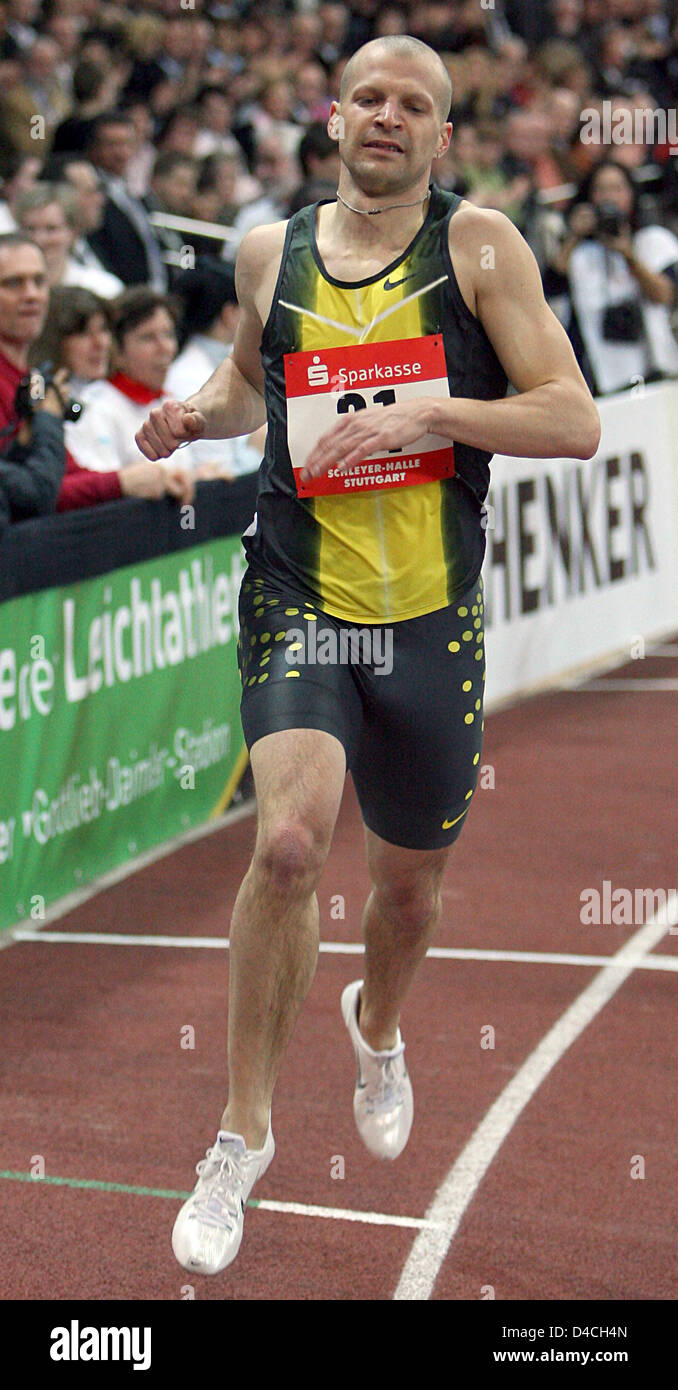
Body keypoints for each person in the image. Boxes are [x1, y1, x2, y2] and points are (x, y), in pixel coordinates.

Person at [136, 33, 600, 1277]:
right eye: (370, 98)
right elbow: (250, 383)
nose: (389, 118)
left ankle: (376, 1026)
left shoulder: (479, 246)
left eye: (418, 106)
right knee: (288, 844)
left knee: (408, 892)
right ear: (332, 116)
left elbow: (574, 416)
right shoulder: (262, 252)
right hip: (300, 597)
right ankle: (240, 1135)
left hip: (433, 617)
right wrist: (197, 412)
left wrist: (433, 410)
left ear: (443, 137)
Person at [0, 233, 192, 514]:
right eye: (13, 283)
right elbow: (32, 494)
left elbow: (62, 474)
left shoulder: (30, 380)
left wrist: (140, 478)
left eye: (39, 282)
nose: (30, 294)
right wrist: (121, 483)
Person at [551, 158, 678, 395]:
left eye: (617, 188)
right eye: (601, 189)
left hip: (656, 367)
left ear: (631, 193)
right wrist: (573, 235)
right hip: (600, 375)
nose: (609, 197)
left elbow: (665, 295)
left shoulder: (653, 241)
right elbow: (551, 288)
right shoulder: (580, 253)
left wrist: (628, 255)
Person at [14, 182, 124, 297]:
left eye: (52, 229)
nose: (39, 239)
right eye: (30, 229)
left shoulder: (102, 288)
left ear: (73, 231)